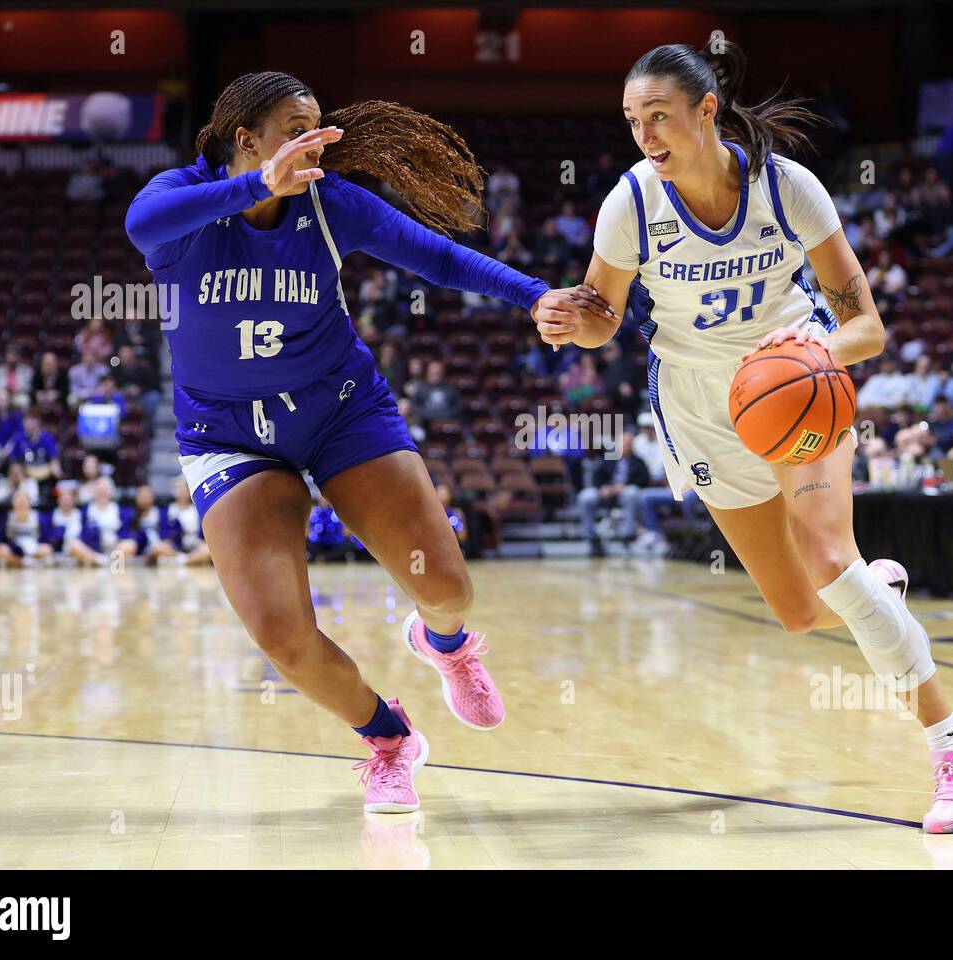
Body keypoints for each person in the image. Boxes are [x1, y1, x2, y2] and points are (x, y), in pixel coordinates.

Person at [547, 40, 953, 833]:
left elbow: (867, 324)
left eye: (660, 115)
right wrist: (567, 319)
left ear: (706, 110)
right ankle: (875, 596)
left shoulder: (788, 188)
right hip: (698, 408)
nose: (647, 135)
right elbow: (604, 320)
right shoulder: (630, 203)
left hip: (800, 387)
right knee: (800, 612)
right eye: (633, 121)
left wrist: (810, 354)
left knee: (830, 559)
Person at [124, 70, 610, 814]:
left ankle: (444, 644)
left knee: (447, 588)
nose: (313, 143)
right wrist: (252, 184)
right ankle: (390, 740)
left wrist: (534, 295)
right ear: (245, 138)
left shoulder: (330, 206)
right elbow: (140, 227)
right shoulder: (182, 201)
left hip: (339, 412)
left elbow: (437, 257)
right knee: (283, 638)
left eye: (318, 128)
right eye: (295, 128)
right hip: (225, 433)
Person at [575, 431, 650, 556]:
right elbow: (596, 477)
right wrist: (602, 488)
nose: (626, 446)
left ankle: (628, 534)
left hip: (624, 494)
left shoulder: (638, 462)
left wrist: (624, 487)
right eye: (624, 443)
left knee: (632, 492)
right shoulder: (608, 458)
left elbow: (643, 481)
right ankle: (591, 537)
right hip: (607, 493)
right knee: (585, 497)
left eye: (629, 444)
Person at [0, 490, 53, 568]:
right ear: (13, 503)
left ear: (29, 502)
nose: (21, 503)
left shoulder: (38, 516)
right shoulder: (6, 516)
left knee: (47, 549)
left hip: (34, 548)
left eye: (24, 500)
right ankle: (25, 562)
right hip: (14, 548)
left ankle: (16, 562)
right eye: (18, 500)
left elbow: (46, 536)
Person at [164, 477, 212, 565]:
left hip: (194, 544)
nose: (181, 492)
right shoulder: (169, 509)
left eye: (184, 490)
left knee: (208, 551)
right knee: (158, 548)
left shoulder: (196, 509)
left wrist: (199, 541)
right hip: (175, 546)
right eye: (179, 489)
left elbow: (201, 532)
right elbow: (165, 531)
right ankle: (187, 559)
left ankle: (182, 561)